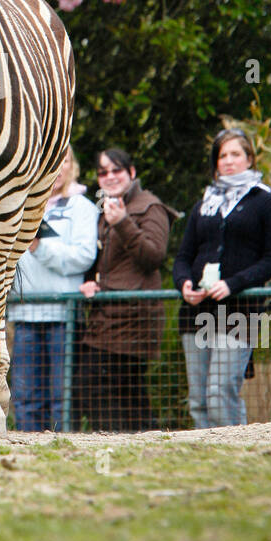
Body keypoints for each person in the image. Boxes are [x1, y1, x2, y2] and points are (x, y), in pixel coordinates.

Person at [172, 128, 271, 429]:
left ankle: (238, 455)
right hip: (195, 313)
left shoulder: (265, 202)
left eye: (236, 154)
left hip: (240, 312)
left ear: (249, 158)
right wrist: (184, 283)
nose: (229, 161)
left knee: (220, 391)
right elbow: (183, 256)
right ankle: (206, 464)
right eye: (223, 155)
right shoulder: (204, 204)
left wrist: (233, 284)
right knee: (198, 398)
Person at [79, 148, 177, 431]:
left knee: (117, 392)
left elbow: (154, 256)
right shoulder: (106, 208)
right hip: (105, 317)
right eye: (103, 172)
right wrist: (92, 280)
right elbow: (107, 261)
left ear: (131, 173)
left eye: (116, 170)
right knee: (110, 392)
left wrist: (122, 223)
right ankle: (137, 444)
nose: (109, 177)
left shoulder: (151, 206)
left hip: (134, 319)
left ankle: (135, 444)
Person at [8, 147, 98, 432]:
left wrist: (40, 247)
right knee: (25, 396)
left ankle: (62, 449)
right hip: (24, 314)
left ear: (73, 165)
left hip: (64, 317)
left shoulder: (82, 207)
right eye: (51, 160)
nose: (58, 168)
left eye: (65, 160)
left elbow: (83, 256)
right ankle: (27, 453)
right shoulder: (19, 205)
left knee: (62, 396)